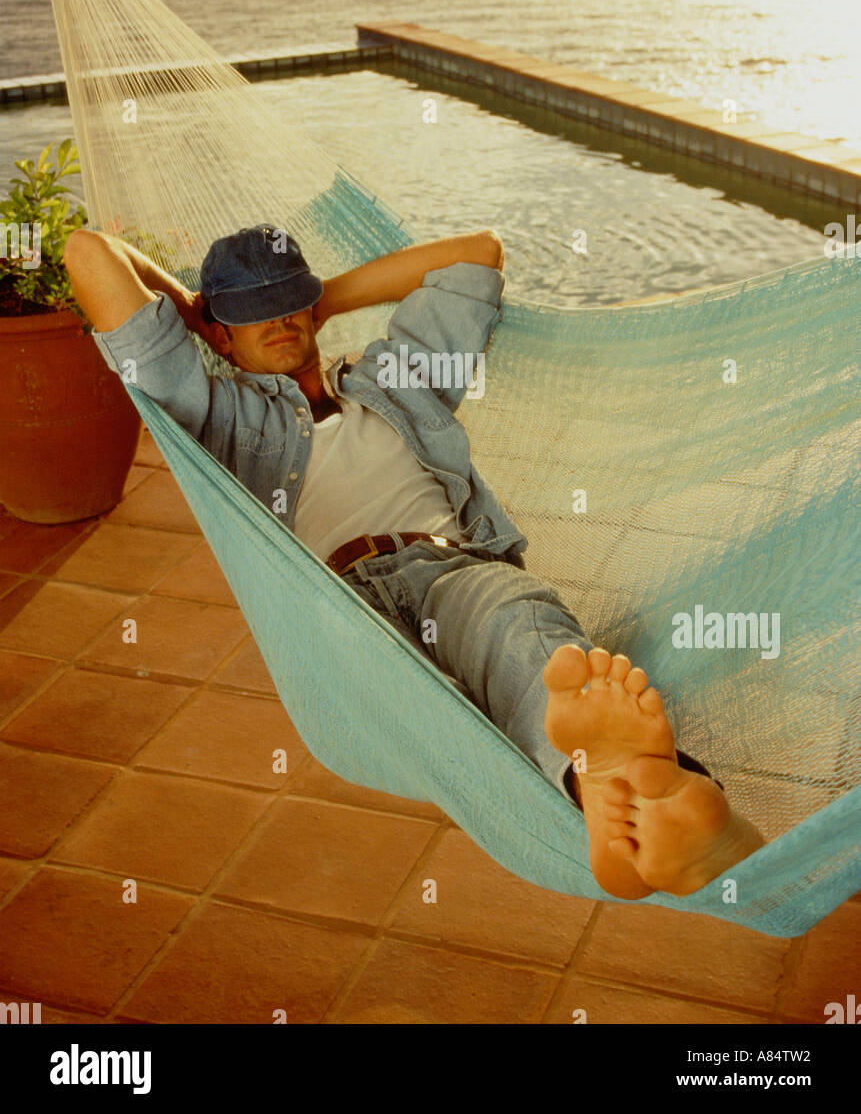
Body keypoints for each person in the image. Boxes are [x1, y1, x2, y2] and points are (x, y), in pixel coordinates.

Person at [63, 222, 763, 900]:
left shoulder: (391, 378)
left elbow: (476, 258)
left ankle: (639, 794)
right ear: (220, 334)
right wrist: (192, 309)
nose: (279, 322)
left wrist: (324, 295)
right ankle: (628, 790)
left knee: (523, 628)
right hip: (338, 602)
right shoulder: (218, 415)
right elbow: (88, 253)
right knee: (424, 698)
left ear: (311, 307)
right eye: (255, 314)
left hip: (449, 566)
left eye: (290, 304)